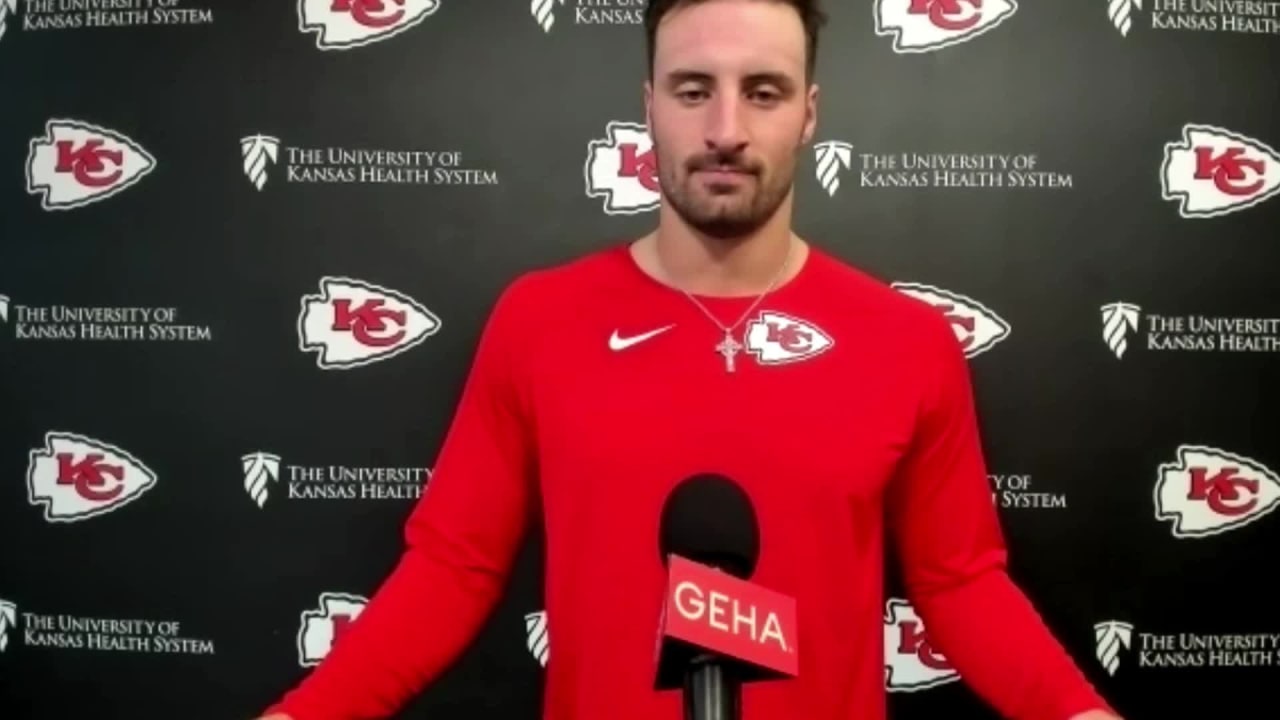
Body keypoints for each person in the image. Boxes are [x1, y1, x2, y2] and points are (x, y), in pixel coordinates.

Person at [259, 1, 1123, 718]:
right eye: (693, 88)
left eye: (764, 92)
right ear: (649, 105)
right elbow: (454, 568)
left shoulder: (908, 342)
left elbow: (963, 584)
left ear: (810, 113)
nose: (725, 129)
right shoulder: (540, 320)